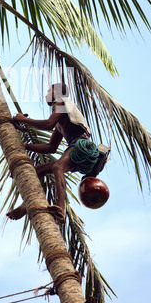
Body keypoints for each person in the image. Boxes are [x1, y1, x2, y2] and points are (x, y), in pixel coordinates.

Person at [6, 83, 92, 225]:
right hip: (75, 149)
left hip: (81, 146)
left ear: (57, 92)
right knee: (35, 171)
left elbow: (48, 124)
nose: (46, 94)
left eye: (48, 91)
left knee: (57, 167)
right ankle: (25, 204)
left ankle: (61, 209)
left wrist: (23, 120)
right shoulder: (61, 123)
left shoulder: (61, 102)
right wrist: (27, 146)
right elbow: (51, 147)